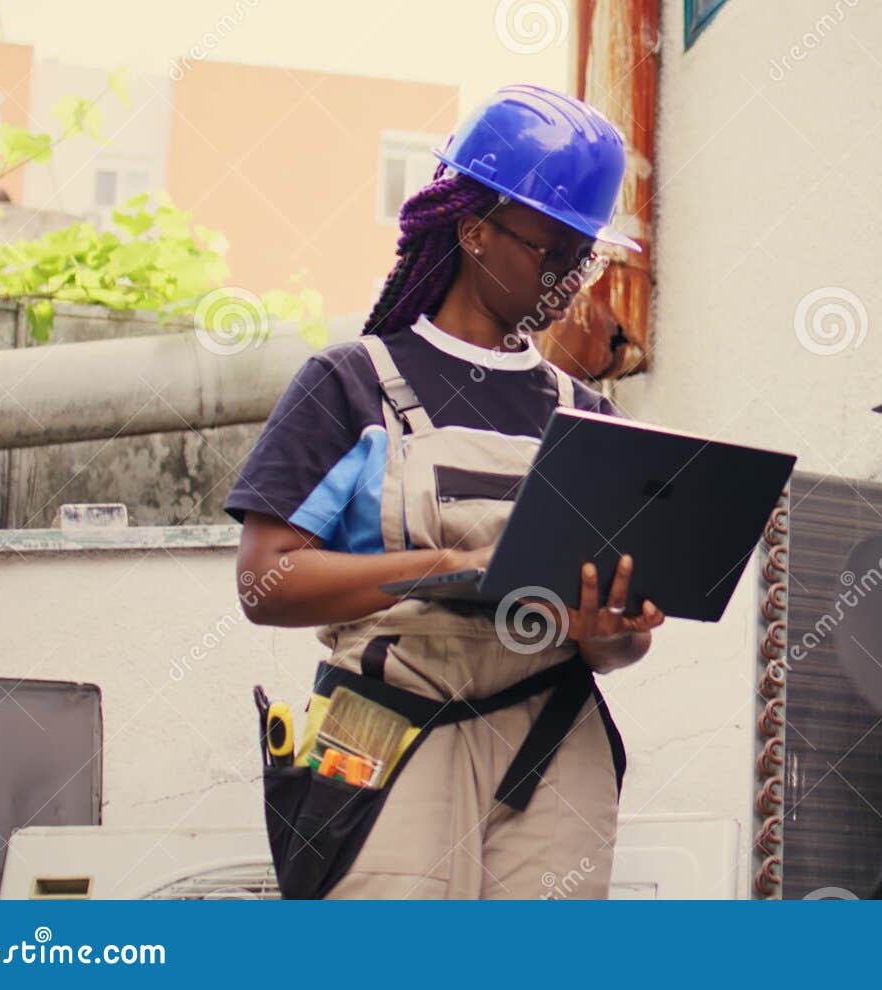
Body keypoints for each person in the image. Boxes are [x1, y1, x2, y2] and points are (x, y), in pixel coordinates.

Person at [224, 84, 664, 899]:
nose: (570, 277)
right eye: (550, 249)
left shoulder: (586, 416)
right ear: (473, 231)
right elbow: (264, 581)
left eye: (584, 255)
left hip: (554, 741)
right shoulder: (351, 385)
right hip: (388, 729)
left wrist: (615, 631)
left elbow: (616, 652)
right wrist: (449, 567)